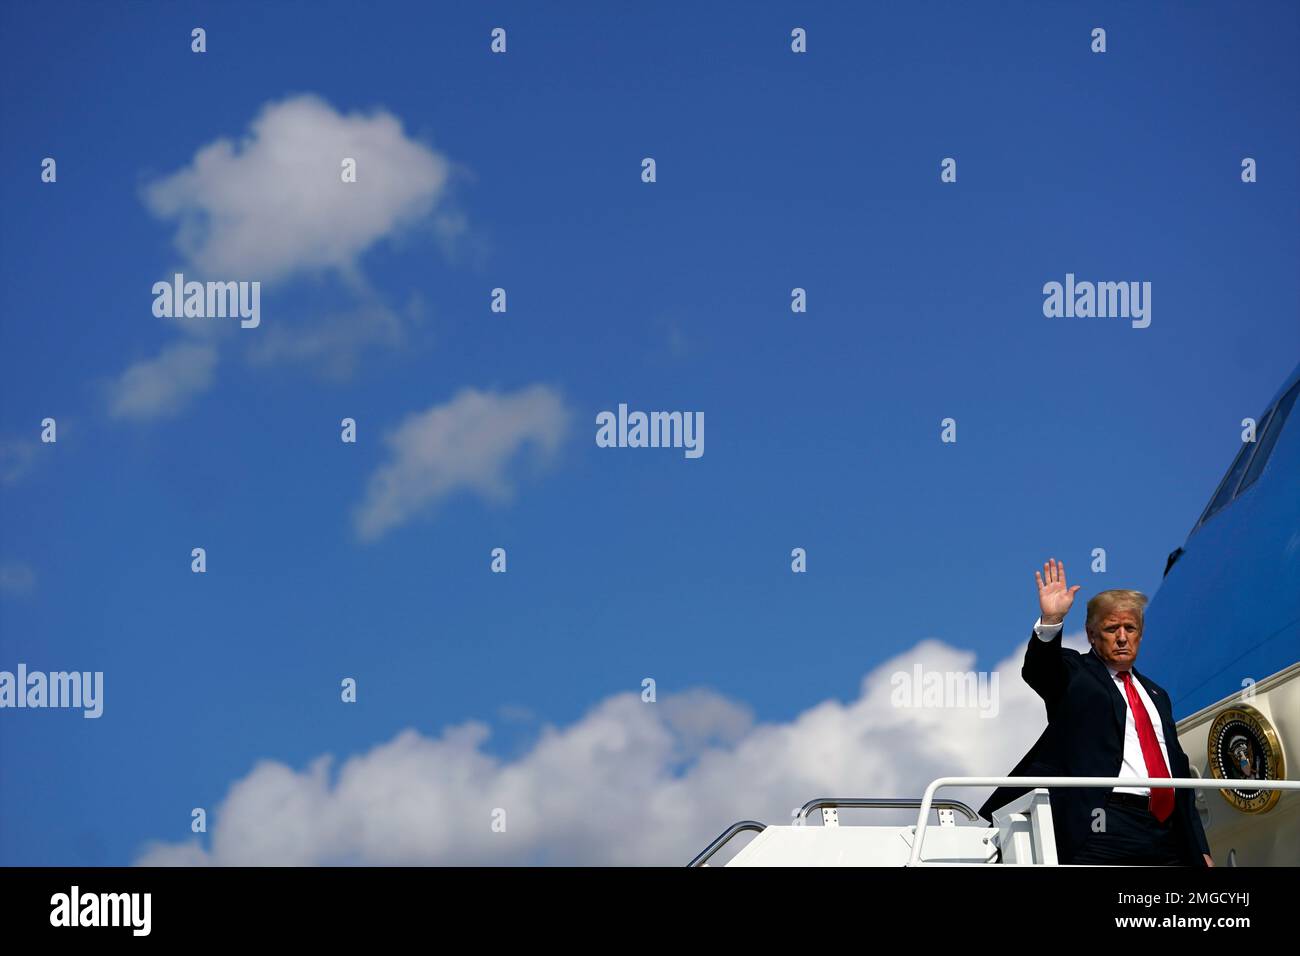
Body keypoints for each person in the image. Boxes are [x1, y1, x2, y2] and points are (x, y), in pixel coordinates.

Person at [979, 558, 1214, 866]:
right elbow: (1040, 670)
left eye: (1130, 628)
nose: (1121, 637)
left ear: (1140, 635)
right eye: (1111, 628)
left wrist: (1201, 848)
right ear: (1091, 635)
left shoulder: (1157, 695)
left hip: (1165, 830)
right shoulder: (1077, 674)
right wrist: (1051, 620)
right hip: (1103, 822)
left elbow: (1178, 773)